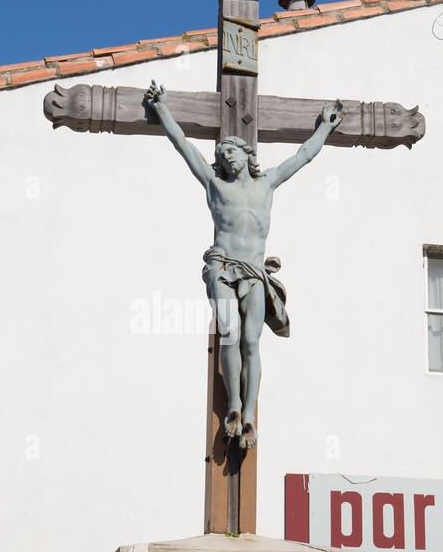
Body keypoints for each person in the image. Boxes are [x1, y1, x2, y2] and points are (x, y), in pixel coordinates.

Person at [145, 80, 344, 447]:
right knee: (230, 334)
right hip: (222, 268)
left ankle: (250, 411)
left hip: (254, 272)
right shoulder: (215, 185)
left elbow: (302, 156)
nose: (225, 158)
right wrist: (162, 110)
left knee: (252, 340)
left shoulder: (266, 184)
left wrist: (325, 128)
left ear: (245, 154)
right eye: (221, 155)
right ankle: (234, 404)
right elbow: (184, 146)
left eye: (231, 152)